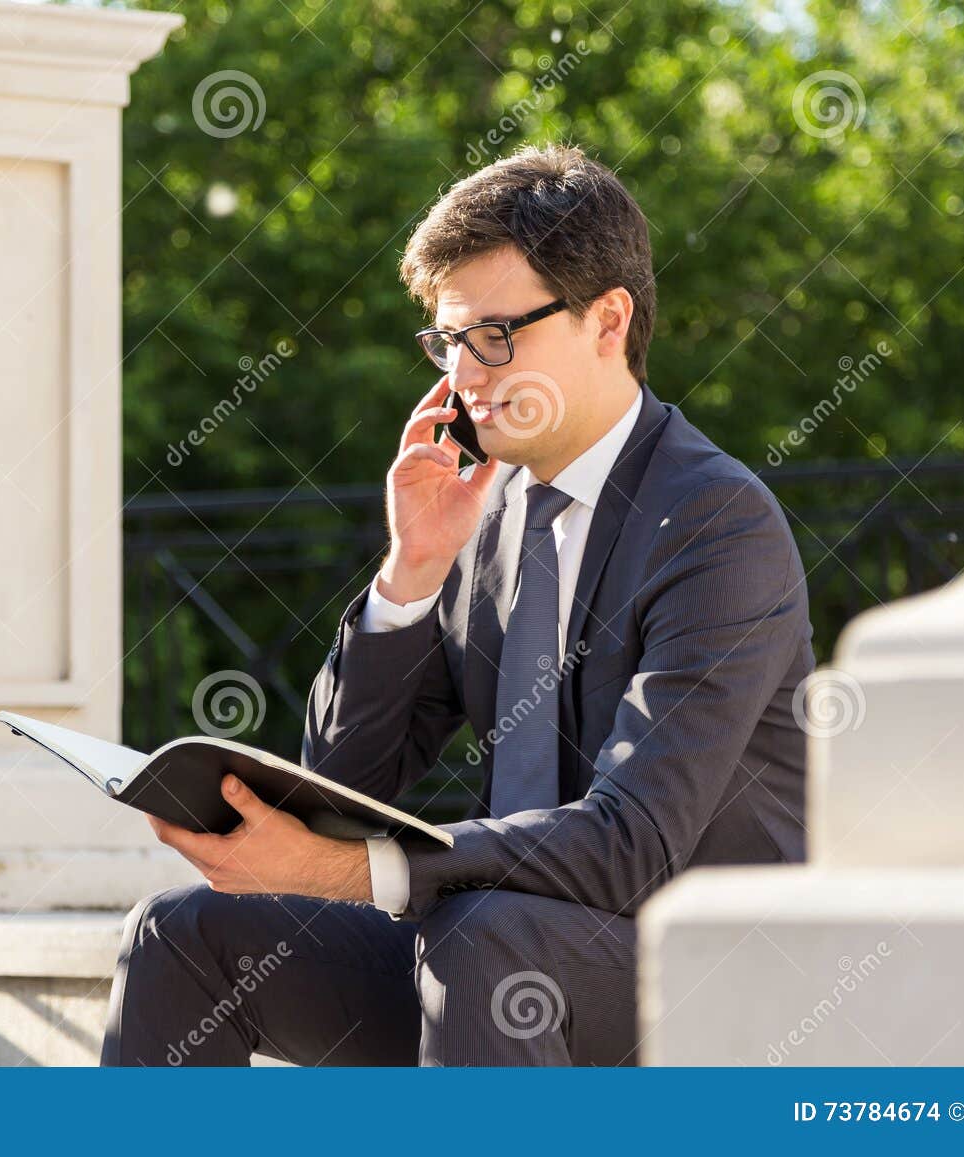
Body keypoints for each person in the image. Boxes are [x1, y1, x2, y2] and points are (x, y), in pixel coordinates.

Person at [103, 143, 814, 1066]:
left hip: (702, 975)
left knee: (481, 938)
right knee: (184, 935)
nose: (466, 374)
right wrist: (411, 572)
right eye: (448, 341)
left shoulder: (714, 522)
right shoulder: (487, 514)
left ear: (608, 321)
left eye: (497, 335)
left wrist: (355, 874)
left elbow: (632, 841)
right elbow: (346, 786)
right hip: (490, 951)